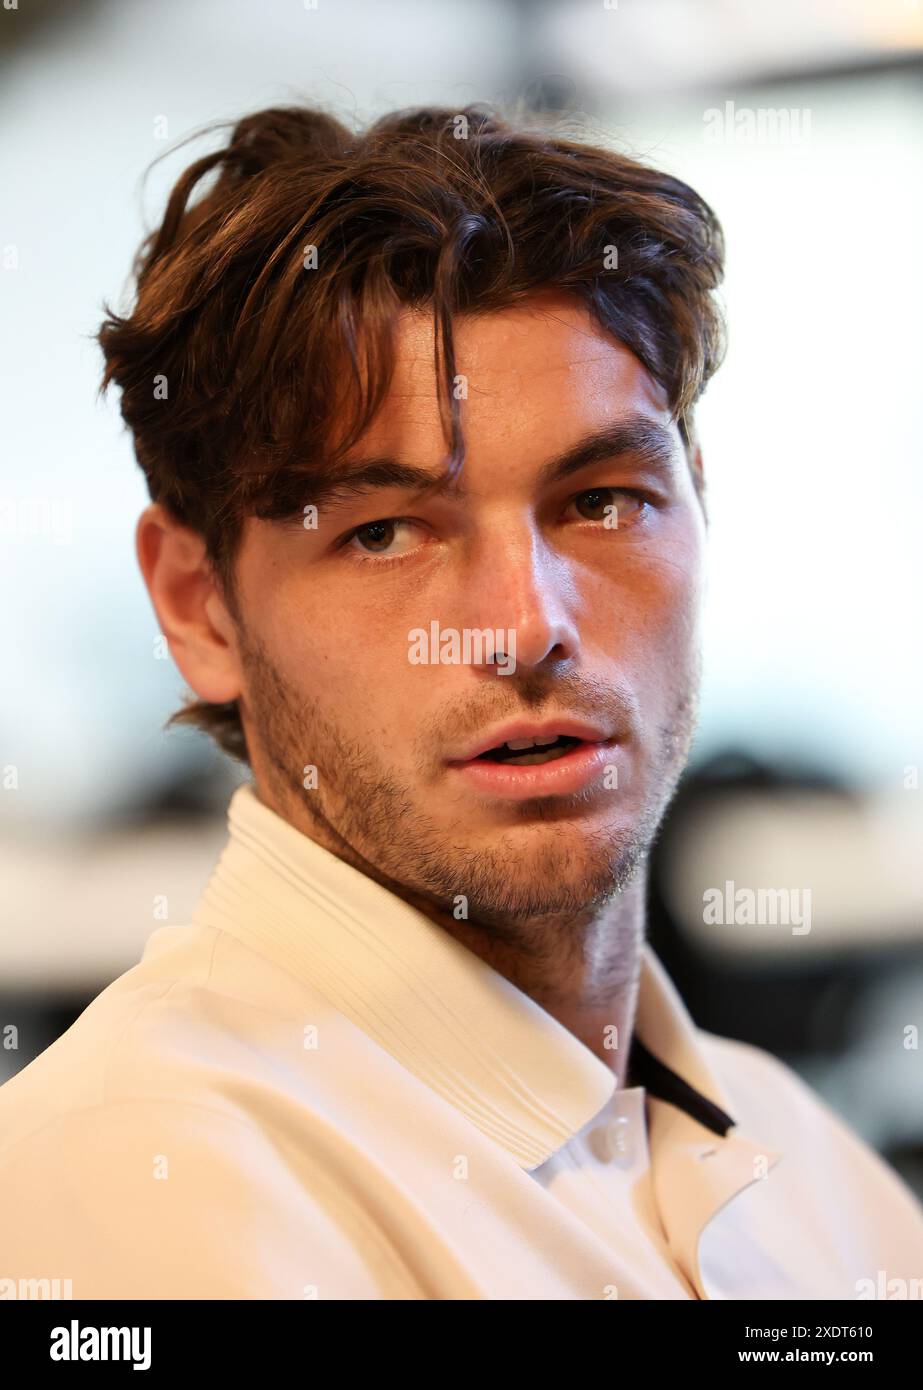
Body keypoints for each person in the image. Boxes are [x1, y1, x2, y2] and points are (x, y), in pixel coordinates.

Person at [1, 103, 921, 1301]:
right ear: (200, 607)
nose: (522, 624)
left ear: (697, 503)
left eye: (600, 501)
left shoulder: (817, 1173)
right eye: (383, 531)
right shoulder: (136, 1187)